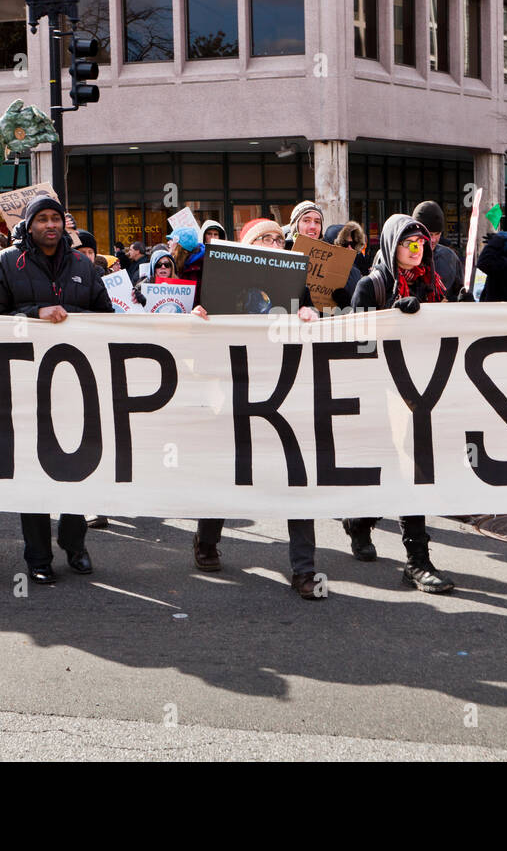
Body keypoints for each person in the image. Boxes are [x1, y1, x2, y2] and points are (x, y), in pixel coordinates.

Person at [190, 217, 326, 599]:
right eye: (262, 238)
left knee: (295, 476)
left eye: (278, 238)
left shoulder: (298, 285)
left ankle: (304, 569)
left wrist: (310, 318)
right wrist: (198, 320)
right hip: (232, 386)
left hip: (282, 392)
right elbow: (201, 324)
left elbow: (317, 329)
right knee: (227, 468)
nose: (272, 243)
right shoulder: (219, 277)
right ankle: (206, 540)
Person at [0, 195, 112, 584]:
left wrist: (72, 318)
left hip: (76, 386)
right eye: (41, 219)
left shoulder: (82, 265)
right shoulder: (6, 263)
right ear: (28, 225)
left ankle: (75, 545)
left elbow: (108, 318)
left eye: (56, 218)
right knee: (32, 472)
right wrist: (35, 313)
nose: (50, 225)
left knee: (79, 466)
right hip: (25, 385)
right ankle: (38, 557)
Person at [343, 214, 455, 593]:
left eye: (421, 242)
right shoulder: (369, 285)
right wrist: (392, 316)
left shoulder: (435, 285)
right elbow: (354, 344)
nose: (416, 248)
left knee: (414, 471)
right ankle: (393, 544)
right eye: (408, 242)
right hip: (381, 394)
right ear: (393, 245)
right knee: (394, 471)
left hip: (423, 394)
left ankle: (408, 557)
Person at [412, 201, 464, 300]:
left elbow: (458, 291)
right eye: (430, 234)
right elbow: (372, 307)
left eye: (438, 233)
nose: (434, 239)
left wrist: (462, 300)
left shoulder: (449, 257)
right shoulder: (398, 257)